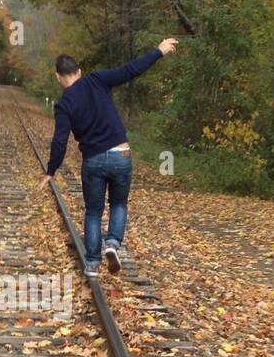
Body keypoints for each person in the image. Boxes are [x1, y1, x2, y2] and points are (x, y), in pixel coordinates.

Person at [40, 38, 178, 276]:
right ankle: (113, 243)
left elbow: (59, 141)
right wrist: (159, 51)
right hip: (120, 153)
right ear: (79, 72)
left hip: (93, 159)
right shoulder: (97, 79)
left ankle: (93, 263)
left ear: (58, 77)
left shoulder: (64, 104)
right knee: (119, 203)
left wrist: (51, 170)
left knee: (93, 211)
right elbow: (130, 70)